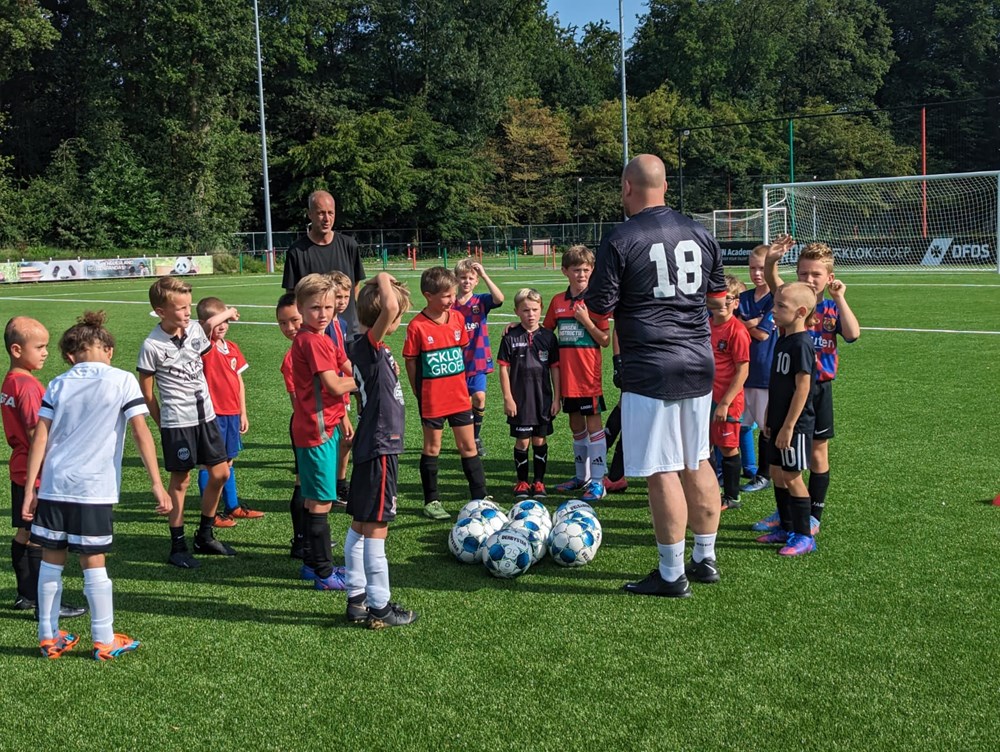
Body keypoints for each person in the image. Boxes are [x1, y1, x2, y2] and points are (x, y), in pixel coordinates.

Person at [585, 154, 727, 597]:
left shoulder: (621, 237)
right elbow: (718, 298)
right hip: (698, 360)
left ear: (628, 187)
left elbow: (598, 311)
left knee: (663, 469)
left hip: (651, 366)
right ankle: (705, 558)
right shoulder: (702, 233)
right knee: (697, 459)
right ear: (664, 186)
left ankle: (671, 573)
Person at [23, 311, 171, 660]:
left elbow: (40, 436)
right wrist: (156, 483)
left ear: (71, 354)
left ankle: (49, 637)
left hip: (55, 484)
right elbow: (140, 431)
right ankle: (104, 639)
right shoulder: (121, 380)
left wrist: (31, 488)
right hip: (93, 487)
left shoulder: (59, 382)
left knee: (51, 560)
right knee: (93, 560)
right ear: (107, 348)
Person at [759, 237, 861, 533]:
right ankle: (787, 515)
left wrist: (839, 297)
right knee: (783, 461)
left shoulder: (829, 309)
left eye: (816, 274)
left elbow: (853, 334)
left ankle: (814, 513)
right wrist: (771, 261)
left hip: (818, 389)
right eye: (803, 273)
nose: (809, 279)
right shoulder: (791, 302)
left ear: (828, 278)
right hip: (788, 389)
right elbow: (774, 282)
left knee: (817, 452)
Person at [138, 277, 239, 569]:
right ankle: (178, 544)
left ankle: (204, 536)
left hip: (206, 417)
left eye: (188, 306)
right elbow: (147, 393)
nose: (186, 313)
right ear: (161, 312)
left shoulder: (195, 329)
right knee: (180, 481)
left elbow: (208, 357)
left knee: (220, 474)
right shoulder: (151, 345)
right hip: (177, 423)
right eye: (180, 308)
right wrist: (163, 423)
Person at [344, 273, 418, 629]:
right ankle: (380, 605)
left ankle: (356, 598)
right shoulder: (369, 345)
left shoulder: (366, 345)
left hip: (371, 443)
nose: (398, 319)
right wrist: (383, 278)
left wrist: (369, 288)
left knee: (360, 525)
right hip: (380, 444)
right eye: (398, 315)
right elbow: (387, 305)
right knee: (376, 527)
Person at [3, 317, 86, 619]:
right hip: (36, 474)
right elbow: (36, 433)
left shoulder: (11, 381)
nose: (45, 352)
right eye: (39, 347)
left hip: (20, 469)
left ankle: (25, 595)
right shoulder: (27, 386)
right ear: (16, 349)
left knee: (24, 533)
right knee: (41, 537)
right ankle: (44, 603)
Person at [403, 266, 488, 520]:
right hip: (432, 398)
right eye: (446, 296)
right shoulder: (417, 326)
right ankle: (432, 500)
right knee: (432, 447)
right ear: (428, 295)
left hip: (459, 396)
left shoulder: (457, 319)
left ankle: (481, 498)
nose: (452, 301)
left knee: (468, 445)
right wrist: (418, 391)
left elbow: (461, 352)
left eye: (452, 295)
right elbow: (410, 361)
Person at [291, 274, 357, 591]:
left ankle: (310, 563)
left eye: (328, 307)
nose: (323, 313)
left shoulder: (323, 336)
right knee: (320, 502)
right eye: (315, 307)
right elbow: (333, 384)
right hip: (316, 430)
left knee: (314, 498)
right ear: (300, 309)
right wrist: (367, 379)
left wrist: (364, 367)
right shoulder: (311, 340)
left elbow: (345, 362)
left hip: (323, 424)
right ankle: (322, 572)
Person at [754, 283, 820, 555]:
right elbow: (778, 383)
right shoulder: (783, 338)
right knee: (779, 475)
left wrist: (790, 426)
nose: (774, 310)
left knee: (793, 477)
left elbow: (803, 388)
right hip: (778, 420)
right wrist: (770, 413)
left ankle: (804, 535)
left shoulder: (802, 344)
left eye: (781, 306)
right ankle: (785, 525)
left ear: (801, 312)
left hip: (795, 425)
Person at [544, 245, 611, 502]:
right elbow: (546, 331)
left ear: (592, 271)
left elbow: (604, 339)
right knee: (575, 426)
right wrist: (518, 327)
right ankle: (580, 477)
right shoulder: (557, 302)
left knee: (594, 425)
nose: (581, 274)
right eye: (576, 270)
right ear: (565, 271)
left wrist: (586, 321)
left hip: (587, 377)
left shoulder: (596, 301)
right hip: (567, 377)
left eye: (586, 270)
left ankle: (597, 482)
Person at [196, 296, 263, 525]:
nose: (222, 326)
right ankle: (211, 514)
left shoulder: (232, 347)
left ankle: (232, 506)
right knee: (211, 464)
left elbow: (239, 382)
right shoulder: (206, 346)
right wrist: (229, 311)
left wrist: (243, 412)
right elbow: (206, 328)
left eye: (225, 321)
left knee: (229, 461)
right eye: (218, 321)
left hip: (232, 414)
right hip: (212, 415)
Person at [497, 288, 560, 499]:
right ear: (516, 311)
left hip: (543, 399)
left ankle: (539, 482)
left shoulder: (549, 337)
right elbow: (503, 369)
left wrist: (557, 398)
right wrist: (508, 398)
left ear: (541, 309)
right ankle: (522, 482)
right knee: (522, 441)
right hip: (520, 401)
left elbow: (555, 369)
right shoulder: (510, 337)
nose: (530, 314)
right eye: (525, 310)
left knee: (539, 440)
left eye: (534, 309)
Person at [282, 191, 366, 337]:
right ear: (310, 214)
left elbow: (355, 285)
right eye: (321, 213)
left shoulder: (349, 246)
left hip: (349, 333)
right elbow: (292, 295)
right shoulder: (296, 251)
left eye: (330, 213)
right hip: (315, 336)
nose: (327, 219)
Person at [452, 258, 505, 456]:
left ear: (476, 282)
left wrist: (484, 274)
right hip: (456, 361)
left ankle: (475, 436)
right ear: (456, 280)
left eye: (470, 278)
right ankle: (464, 437)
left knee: (479, 397)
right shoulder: (450, 304)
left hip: (478, 357)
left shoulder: (480, 301)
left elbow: (499, 299)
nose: (466, 281)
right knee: (462, 402)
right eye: (462, 277)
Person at [738, 244, 777, 496]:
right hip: (741, 371)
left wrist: (745, 324)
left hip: (764, 373)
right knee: (738, 424)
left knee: (766, 427)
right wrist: (747, 324)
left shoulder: (777, 298)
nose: (756, 274)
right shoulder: (743, 298)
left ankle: (765, 473)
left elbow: (762, 335)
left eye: (762, 268)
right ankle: (734, 469)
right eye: (752, 268)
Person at [710, 275, 751, 510]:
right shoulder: (706, 325)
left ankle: (732, 496)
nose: (723, 304)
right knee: (705, 445)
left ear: (736, 303)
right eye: (719, 299)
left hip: (728, 400)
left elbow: (742, 371)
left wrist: (725, 402)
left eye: (729, 300)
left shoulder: (737, 331)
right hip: (706, 397)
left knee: (727, 446)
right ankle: (708, 490)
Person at [276, 294, 306, 559]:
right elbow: (298, 403)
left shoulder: (315, 344)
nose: (290, 328)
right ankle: (300, 541)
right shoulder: (291, 359)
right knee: (303, 484)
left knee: (314, 486)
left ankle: (310, 537)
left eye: (294, 320)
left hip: (318, 422)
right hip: (306, 425)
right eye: (283, 323)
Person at [324, 271, 356, 503]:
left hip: (341, 387)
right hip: (328, 389)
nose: (343, 302)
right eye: (338, 297)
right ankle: (331, 486)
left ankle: (339, 483)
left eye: (346, 297)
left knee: (346, 438)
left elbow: (342, 357)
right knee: (335, 439)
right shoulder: (324, 325)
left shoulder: (342, 323)